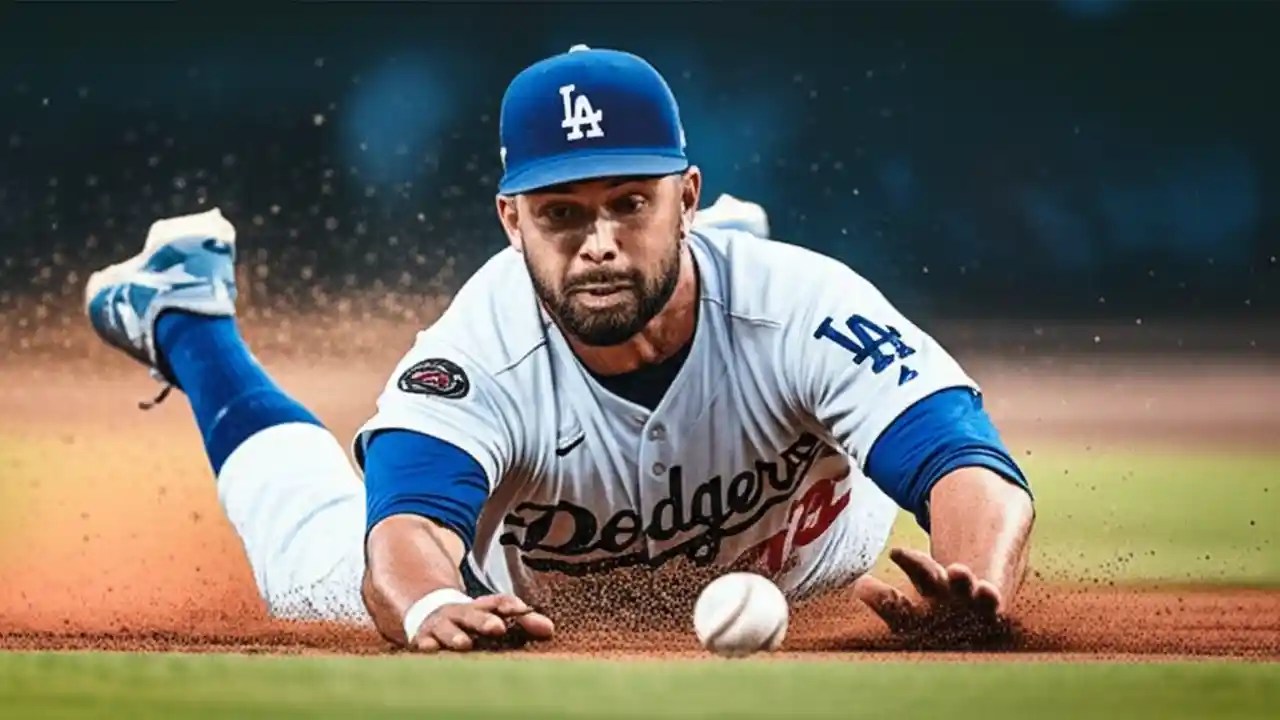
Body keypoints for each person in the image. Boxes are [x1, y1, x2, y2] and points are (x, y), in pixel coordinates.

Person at [84, 45, 1034, 653]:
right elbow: (403, 539)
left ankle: (724, 257)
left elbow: (965, 458)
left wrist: (977, 582)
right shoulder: (475, 354)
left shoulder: (802, 307)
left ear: (686, 195)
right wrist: (425, 610)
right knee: (308, 571)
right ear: (510, 220)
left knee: (774, 334)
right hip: (529, 594)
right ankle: (189, 320)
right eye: (562, 214)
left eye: (631, 203)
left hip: (814, 553)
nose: (598, 240)